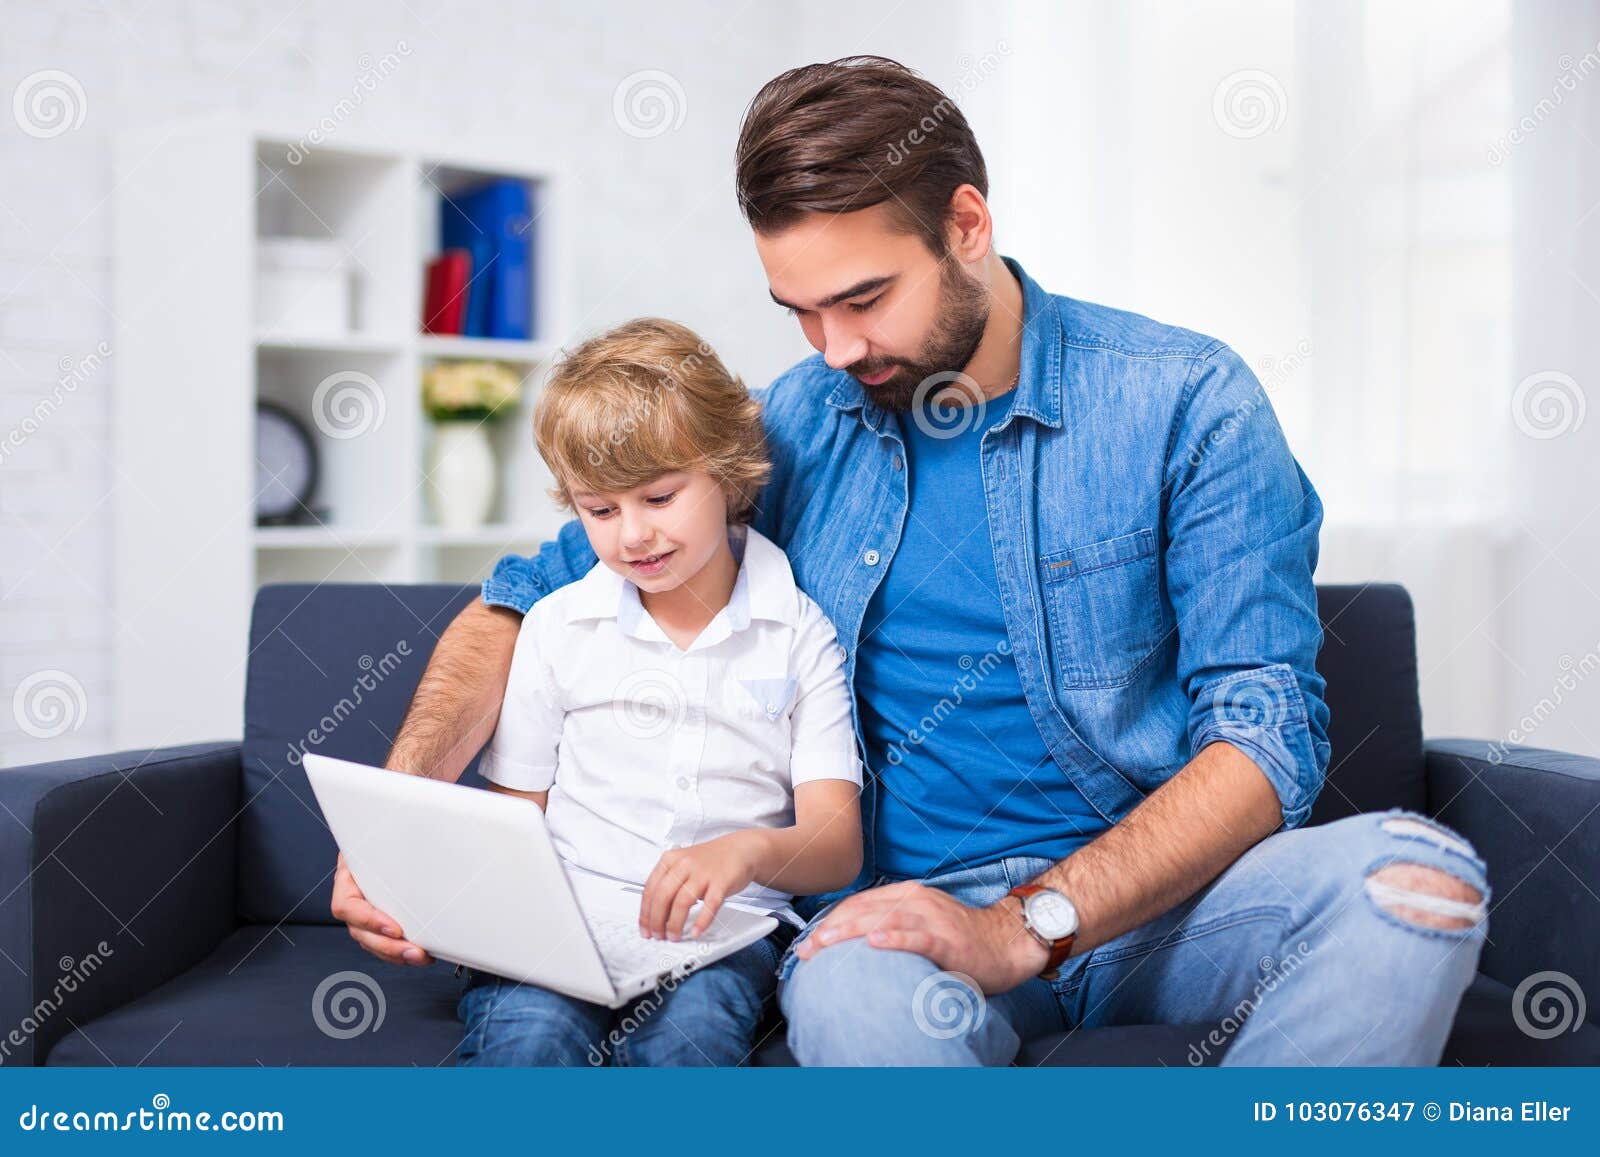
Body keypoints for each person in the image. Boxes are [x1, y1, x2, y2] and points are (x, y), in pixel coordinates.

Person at [335, 57, 1489, 1067]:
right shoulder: (790, 424)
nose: (835, 348)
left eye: (864, 298)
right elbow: (523, 602)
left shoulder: (1185, 401)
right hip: (890, 923)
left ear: (968, 226)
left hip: (1161, 907)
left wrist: (1024, 923)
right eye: (797, 310)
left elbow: (1265, 733)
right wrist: (402, 819)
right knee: (852, 1003)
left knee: (1416, 881)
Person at [391, 318, 861, 1066]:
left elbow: (836, 845)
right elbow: (519, 819)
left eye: (660, 497)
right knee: (528, 1039)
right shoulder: (556, 626)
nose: (632, 535)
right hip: (563, 928)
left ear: (729, 472)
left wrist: (745, 852)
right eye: (600, 510)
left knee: (692, 1038)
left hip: (725, 935)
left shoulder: (800, 631)